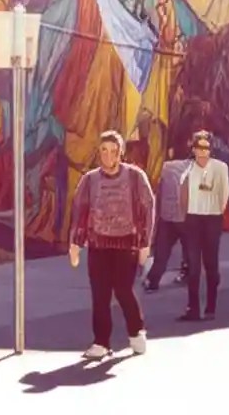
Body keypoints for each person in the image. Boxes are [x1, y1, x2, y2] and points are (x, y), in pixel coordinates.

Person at [69, 131, 156, 359]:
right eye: (104, 151)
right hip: (98, 244)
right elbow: (80, 209)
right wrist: (76, 243)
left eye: (113, 151)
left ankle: (136, 331)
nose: (108, 156)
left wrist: (145, 242)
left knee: (123, 289)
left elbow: (147, 207)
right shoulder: (90, 180)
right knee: (100, 294)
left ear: (121, 153)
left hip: (126, 244)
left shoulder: (135, 177)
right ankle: (101, 341)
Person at [177, 130, 229, 322]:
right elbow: (182, 193)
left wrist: (216, 212)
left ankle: (210, 307)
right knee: (193, 266)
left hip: (212, 218)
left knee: (211, 264)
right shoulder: (188, 168)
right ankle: (193, 308)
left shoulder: (220, 167)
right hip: (192, 219)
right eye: (198, 147)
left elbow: (224, 194)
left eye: (205, 147)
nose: (201, 151)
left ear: (211, 149)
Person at [144, 158, 192, 292]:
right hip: (186, 217)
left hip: (168, 216)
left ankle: (153, 280)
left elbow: (157, 194)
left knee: (162, 251)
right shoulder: (195, 167)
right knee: (189, 249)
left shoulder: (164, 168)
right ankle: (188, 275)